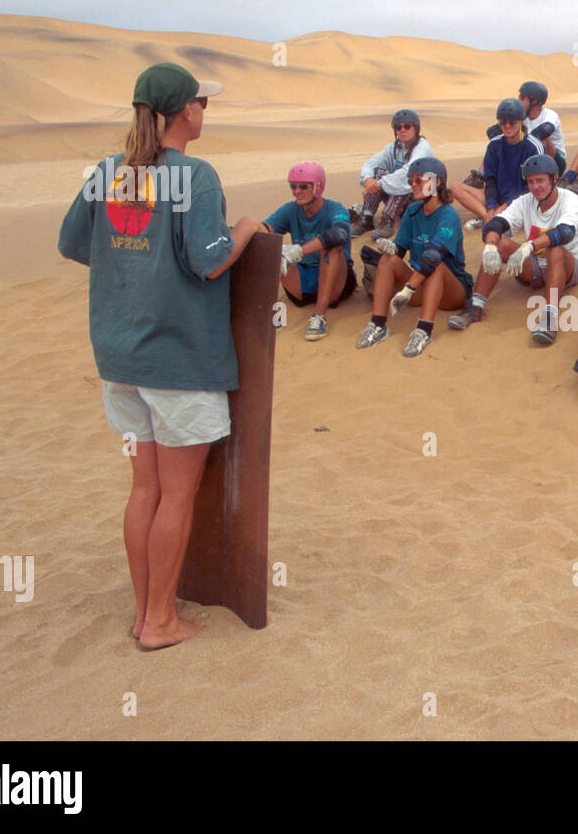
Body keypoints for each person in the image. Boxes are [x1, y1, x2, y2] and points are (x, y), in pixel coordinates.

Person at [58, 62, 262, 649]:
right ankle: (160, 622)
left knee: (143, 490)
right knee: (175, 493)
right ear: (186, 112)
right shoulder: (195, 176)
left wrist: (135, 258)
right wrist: (245, 228)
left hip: (121, 359)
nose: (205, 112)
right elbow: (209, 258)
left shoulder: (108, 173)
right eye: (202, 103)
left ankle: (145, 609)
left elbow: (74, 243)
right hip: (179, 361)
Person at [447, 154, 578, 344]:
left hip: (569, 266)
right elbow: (497, 223)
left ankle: (550, 317)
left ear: (554, 179)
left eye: (540, 181)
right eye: (530, 181)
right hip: (536, 266)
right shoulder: (525, 201)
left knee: (554, 248)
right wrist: (490, 245)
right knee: (501, 243)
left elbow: (565, 232)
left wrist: (530, 245)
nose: (535, 187)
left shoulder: (570, 200)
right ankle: (476, 307)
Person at [356, 157, 473, 357]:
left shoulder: (448, 215)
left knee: (434, 263)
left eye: (420, 180)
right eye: (411, 181)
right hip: (421, 286)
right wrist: (390, 248)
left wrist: (408, 289)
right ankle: (378, 325)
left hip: (451, 290)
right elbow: (399, 251)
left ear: (437, 182)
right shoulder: (412, 211)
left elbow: (434, 255)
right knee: (387, 259)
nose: (413, 185)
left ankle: (423, 331)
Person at [261, 161, 356, 341]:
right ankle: (272, 313)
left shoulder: (334, 208)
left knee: (331, 245)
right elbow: (267, 229)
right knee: (268, 247)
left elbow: (340, 233)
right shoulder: (290, 209)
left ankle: (319, 315)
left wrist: (299, 250)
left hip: (336, 281)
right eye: (293, 186)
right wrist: (249, 230)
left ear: (318, 186)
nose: (297, 191)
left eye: (304, 186)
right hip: (303, 282)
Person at [449, 98, 546, 229]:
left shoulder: (534, 146)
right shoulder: (494, 145)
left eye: (512, 122)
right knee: (456, 188)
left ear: (521, 120)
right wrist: (490, 207)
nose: (507, 126)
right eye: (502, 122)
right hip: (498, 199)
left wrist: (508, 205)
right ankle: (490, 218)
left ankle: (499, 219)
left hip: (524, 201)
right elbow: (491, 181)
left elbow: (535, 186)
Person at [356, 108, 436, 239]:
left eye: (407, 126)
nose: (402, 130)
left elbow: (407, 174)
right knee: (378, 172)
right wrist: (368, 180)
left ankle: (388, 220)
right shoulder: (394, 148)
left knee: (408, 180)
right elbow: (371, 164)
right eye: (398, 127)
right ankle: (367, 217)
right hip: (402, 200)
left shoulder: (422, 148)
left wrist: (378, 184)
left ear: (416, 128)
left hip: (423, 198)